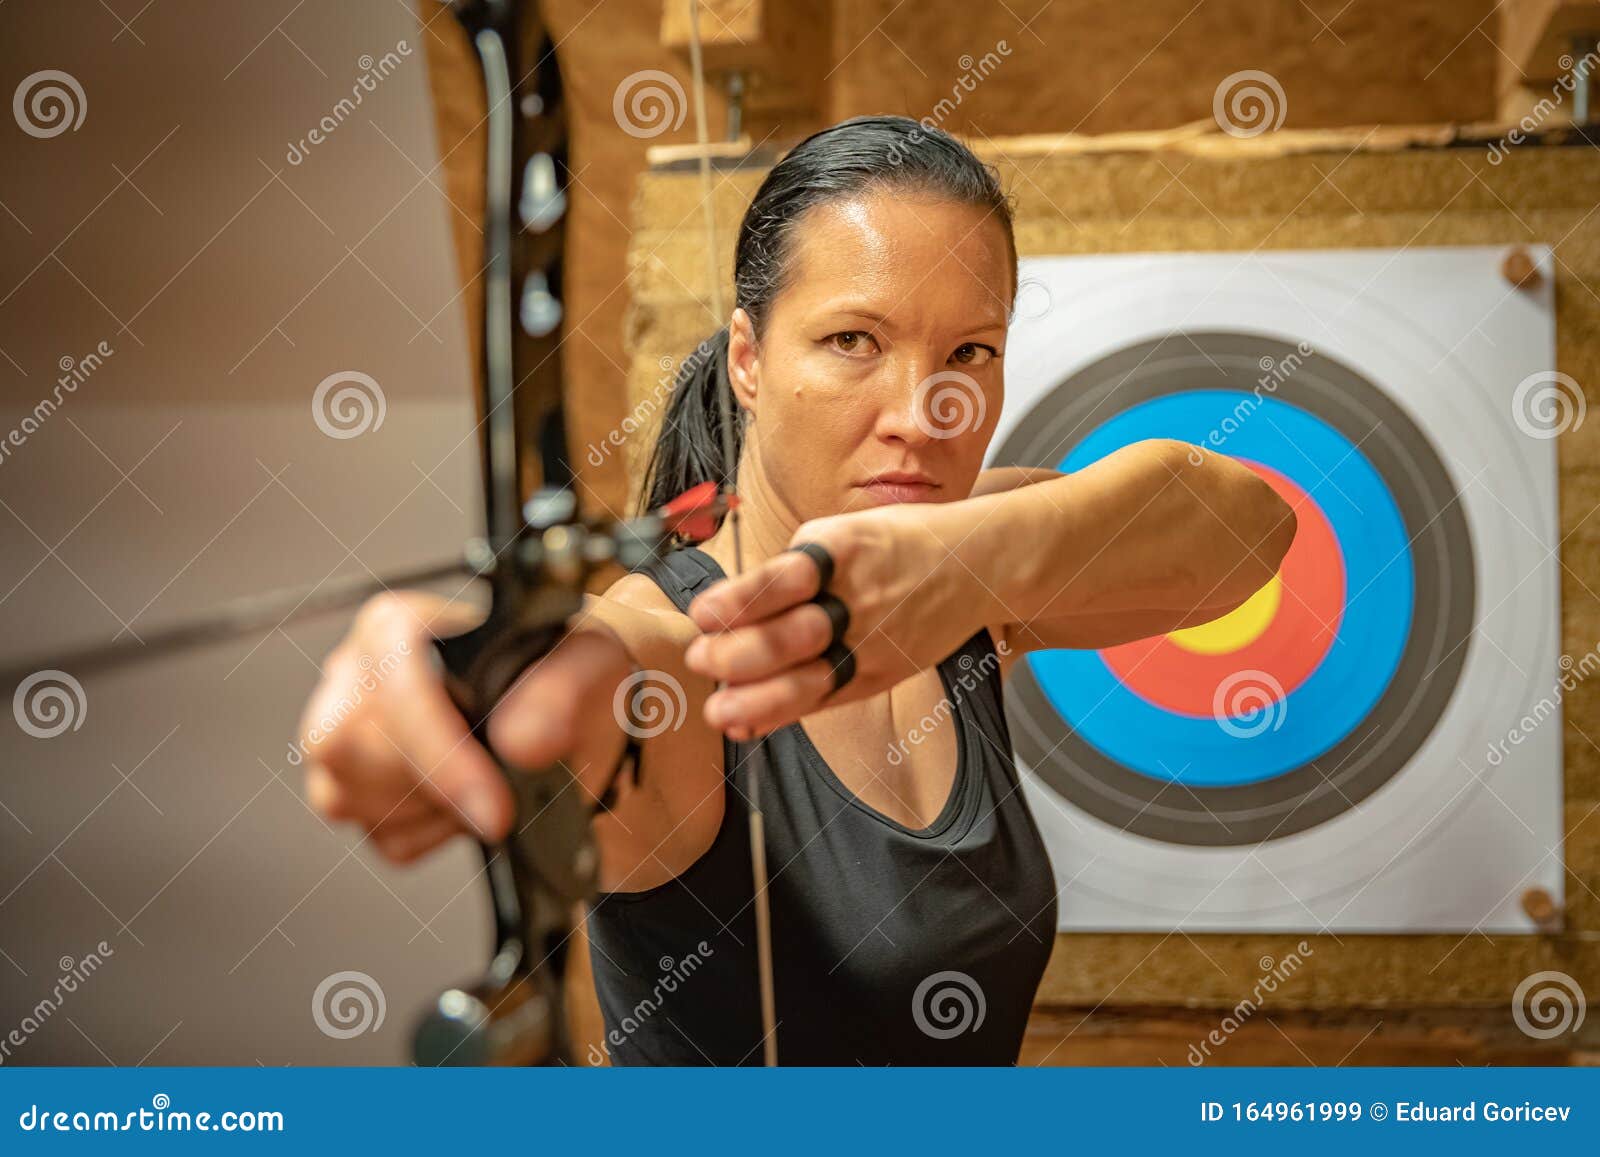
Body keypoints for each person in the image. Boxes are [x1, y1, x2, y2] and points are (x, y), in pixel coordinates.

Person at [300, 115, 1296, 1065]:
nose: (922, 412)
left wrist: (962, 563)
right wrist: (464, 673)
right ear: (747, 358)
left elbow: (1244, 529)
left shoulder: (976, 572)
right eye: (852, 340)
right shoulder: (686, 654)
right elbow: (599, 684)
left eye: (968, 352)